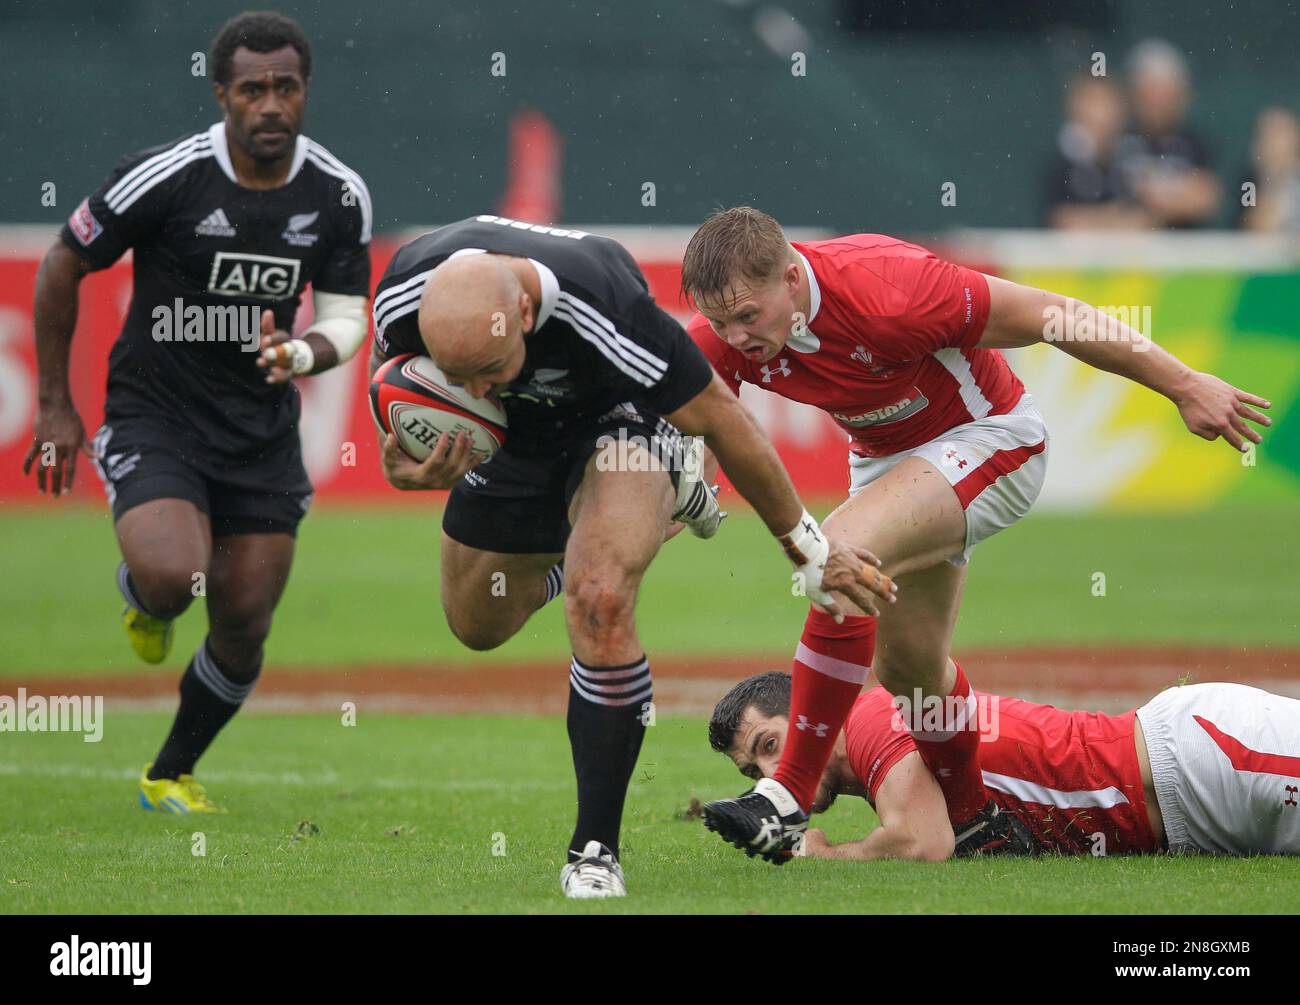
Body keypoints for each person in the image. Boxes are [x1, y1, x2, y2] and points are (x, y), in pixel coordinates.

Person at [682, 205, 1272, 864]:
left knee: (836, 554)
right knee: (907, 670)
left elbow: (1054, 314)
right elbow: (703, 417)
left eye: (747, 317)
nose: (735, 337)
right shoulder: (731, 335)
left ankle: (786, 789)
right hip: (893, 463)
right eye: (720, 321)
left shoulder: (889, 288)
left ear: (791, 278)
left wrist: (1183, 383)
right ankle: (974, 822)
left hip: (992, 437)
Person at [368, 213, 897, 898]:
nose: (472, 389)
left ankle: (594, 849)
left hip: (616, 423)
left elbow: (725, 419)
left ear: (523, 312)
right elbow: (407, 395)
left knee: (602, 597)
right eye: (458, 374)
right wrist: (407, 463)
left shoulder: (606, 303)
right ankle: (625, 521)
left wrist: (808, 548)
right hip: (513, 436)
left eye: (485, 368)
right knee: (478, 621)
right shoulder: (403, 303)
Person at [22, 11, 373, 814]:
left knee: (245, 616)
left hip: (260, 434)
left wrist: (304, 353)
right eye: (253, 89)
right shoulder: (167, 176)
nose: (271, 104)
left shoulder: (337, 193)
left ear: (305, 90)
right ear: (222, 94)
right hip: (159, 416)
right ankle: (144, 597)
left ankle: (169, 772)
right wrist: (52, 404)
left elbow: (348, 315)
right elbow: (60, 265)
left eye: (286, 87)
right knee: (172, 576)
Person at [709, 671, 1300, 859]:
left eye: (769, 745)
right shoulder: (870, 754)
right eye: (752, 771)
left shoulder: (868, 719)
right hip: (1189, 809)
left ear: (817, 714)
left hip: (1205, 758)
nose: (768, 778)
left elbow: (923, 842)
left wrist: (828, 854)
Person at [1114, 39, 1221, 229]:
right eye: (1149, 92)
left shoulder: (1194, 143)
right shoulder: (1116, 141)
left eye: (1164, 93)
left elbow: (1206, 199)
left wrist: (1150, 202)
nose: (1156, 101)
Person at [1044, 75, 1150, 229]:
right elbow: (1066, 224)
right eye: (1091, 102)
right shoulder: (1061, 166)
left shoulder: (1136, 159)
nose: (1099, 113)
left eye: (1106, 102)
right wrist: (1114, 218)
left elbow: (1145, 222)